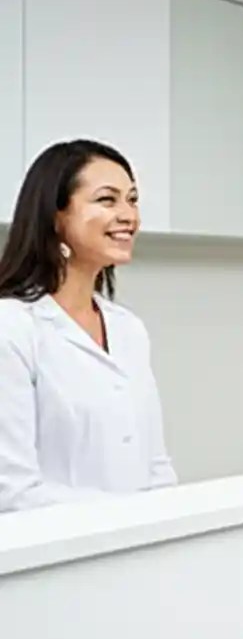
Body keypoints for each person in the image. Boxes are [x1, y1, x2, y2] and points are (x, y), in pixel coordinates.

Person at [0, 139, 177, 512]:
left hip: (138, 549)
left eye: (132, 199)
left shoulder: (128, 329)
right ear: (56, 216)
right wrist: (127, 515)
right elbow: (13, 490)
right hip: (53, 557)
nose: (129, 215)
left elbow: (156, 465)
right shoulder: (13, 327)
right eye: (107, 200)